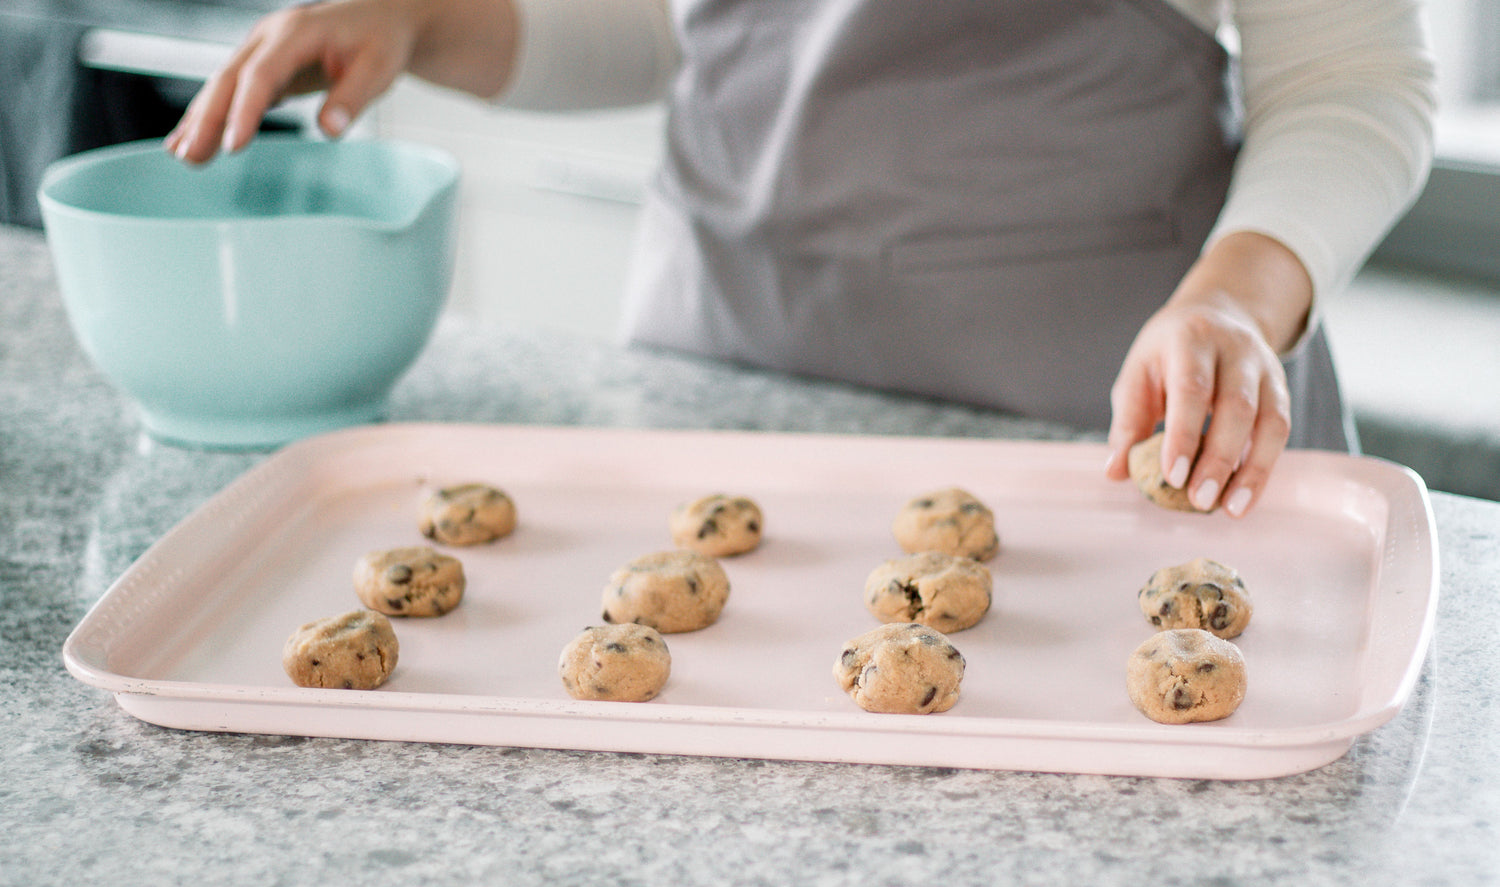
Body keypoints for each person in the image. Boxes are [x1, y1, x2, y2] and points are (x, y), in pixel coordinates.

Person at [166, 0, 1436, 518]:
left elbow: (1350, 82)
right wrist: (423, 21)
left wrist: (1233, 302)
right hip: (721, 393)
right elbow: (670, 32)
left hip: (1107, 431)